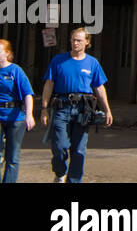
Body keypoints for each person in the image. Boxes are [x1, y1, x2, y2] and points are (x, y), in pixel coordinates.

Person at [41, 27, 113, 183]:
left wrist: (107, 110)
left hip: (83, 110)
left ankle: (74, 181)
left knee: (78, 150)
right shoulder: (58, 60)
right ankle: (60, 173)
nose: (75, 43)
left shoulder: (92, 63)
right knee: (59, 147)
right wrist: (44, 109)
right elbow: (48, 85)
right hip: (61, 107)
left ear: (87, 42)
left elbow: (99, 88)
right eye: (73, 39)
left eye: (79, 40)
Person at [0, 39, 35, 183]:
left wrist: (29, 115)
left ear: (7, 53)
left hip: (15, 117)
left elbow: (28, 94)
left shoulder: (15, 70)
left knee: (12, 157)